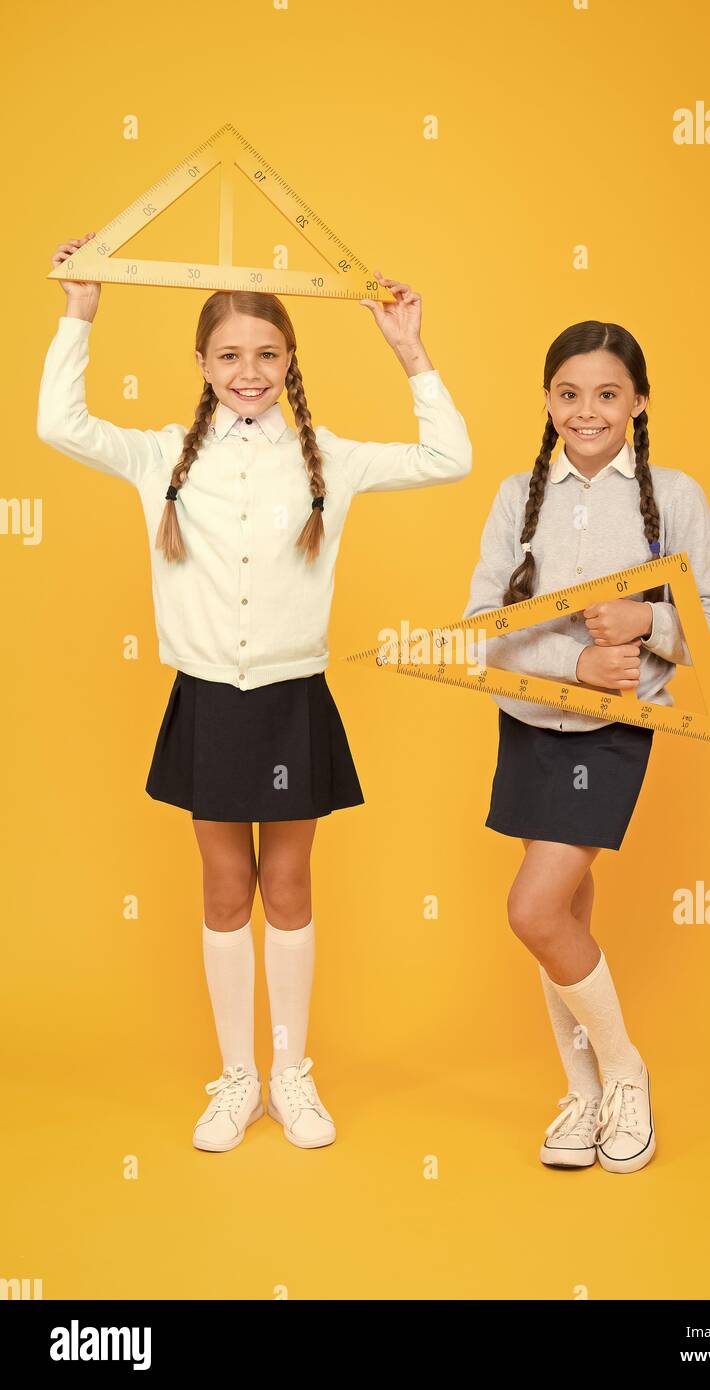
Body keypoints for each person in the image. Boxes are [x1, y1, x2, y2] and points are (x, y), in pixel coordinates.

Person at [37, 232, 472, 1153]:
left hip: (289, 700)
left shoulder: (331, 459)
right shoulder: (162, 456)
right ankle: (235, 1078)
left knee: (288, 886)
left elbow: (450, 458)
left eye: (266, 355)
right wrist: (80, 309)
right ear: (200, 363)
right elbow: (59, 426)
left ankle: (289, 1072)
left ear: (290, 362)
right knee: (225, 890)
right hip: (209, 701)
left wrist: (409, 350)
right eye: (229, 356)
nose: (248, 371)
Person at [462, 320, 710, 1173]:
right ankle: (580, 1097)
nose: (587, 411)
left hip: (611, 738)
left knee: (532, 911)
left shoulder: (675, 494)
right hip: (529, 727)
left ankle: (624, 1076)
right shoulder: (517, 496)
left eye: (607, 394)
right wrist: (573, 657)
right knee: (565, 919)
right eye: (569, 394)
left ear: (638, 402)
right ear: (547, 401)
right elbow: (480, 632)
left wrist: (647, 619)